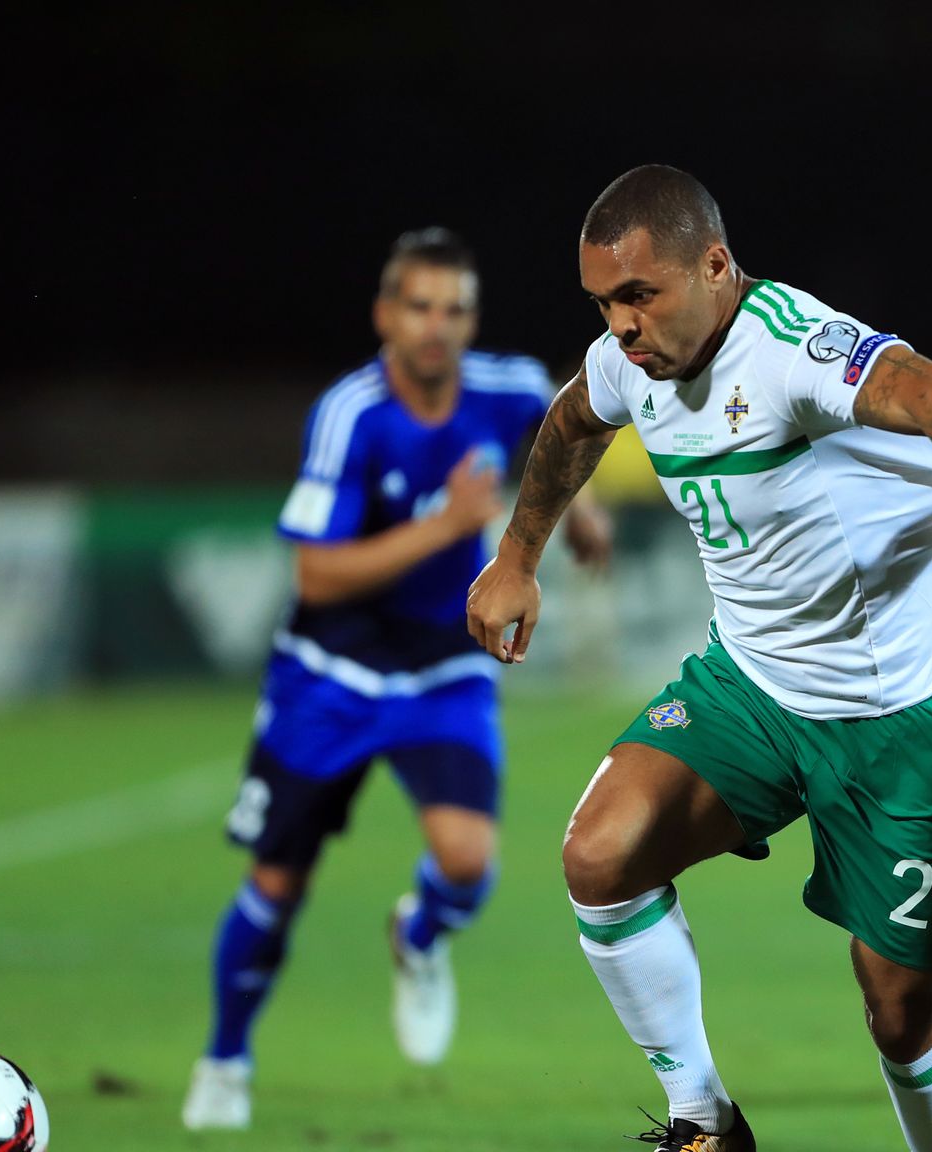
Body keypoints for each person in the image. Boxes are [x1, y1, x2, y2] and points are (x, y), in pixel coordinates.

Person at [463, 164, 932, 1152]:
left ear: (715, 265)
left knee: (901, 1015)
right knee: (599, 855)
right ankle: (703, 1120)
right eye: (603, 304)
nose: (621, 326)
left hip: (897, 713)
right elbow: (569, 423)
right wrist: (517, 556)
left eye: (639, 295)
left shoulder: (789, 348)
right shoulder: (625, 362)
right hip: (753, 690)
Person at [181, 228, 612, 1130]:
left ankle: (417, 937)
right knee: (277, 885)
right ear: (385, 314)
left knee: (468, 864)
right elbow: (314, 576)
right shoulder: (351, 414)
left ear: (471, 320)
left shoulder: (508, 388)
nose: (436, 326)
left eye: (454, 309)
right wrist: (450, 524)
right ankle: (224, 1061)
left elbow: (562, 433)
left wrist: (581, 516)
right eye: (419, 306)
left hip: (444, 664)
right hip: (328, 675)